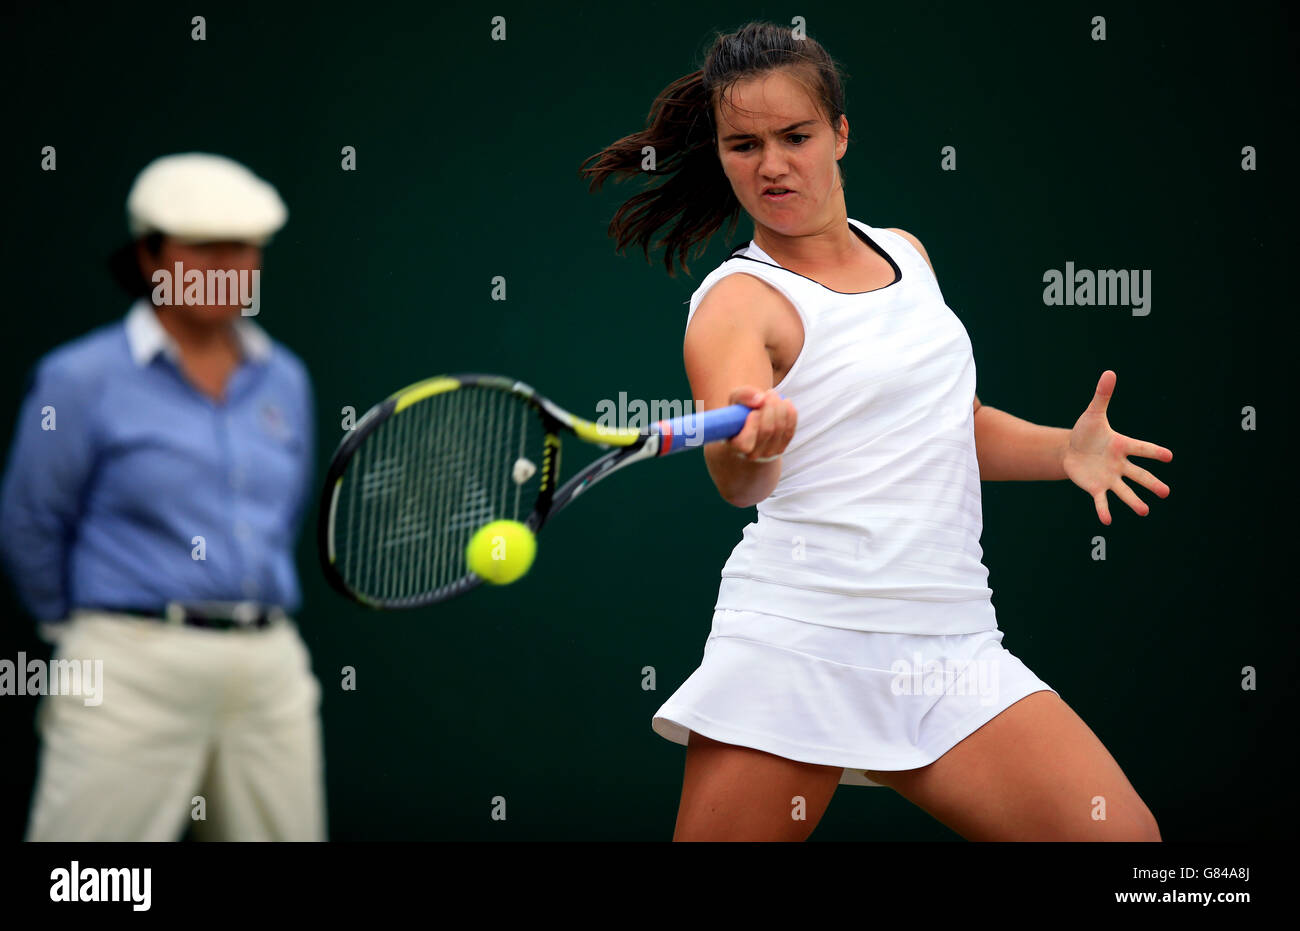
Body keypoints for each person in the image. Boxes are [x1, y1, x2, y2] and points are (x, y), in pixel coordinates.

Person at [580, 22, 1172, 841]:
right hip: (798, 644)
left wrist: (1061, 451)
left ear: (841, 132)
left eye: (796, 136)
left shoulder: (907, 254)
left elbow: (945, 427)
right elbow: (736, 478)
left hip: (949, 643)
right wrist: (753, 446)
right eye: (744, 144)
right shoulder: (735, 304)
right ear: (720, 153)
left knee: (1124, 841)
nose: (773, 165)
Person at [0, 152, 325, 841]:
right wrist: (96, 635)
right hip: (125, 666)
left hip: (267, 672)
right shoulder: (78, 378)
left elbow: (280, 517)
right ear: (150, 257)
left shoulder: (286, 380)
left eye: (243, 249)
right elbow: (31, 521)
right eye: (203, 248)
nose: (227, 266)